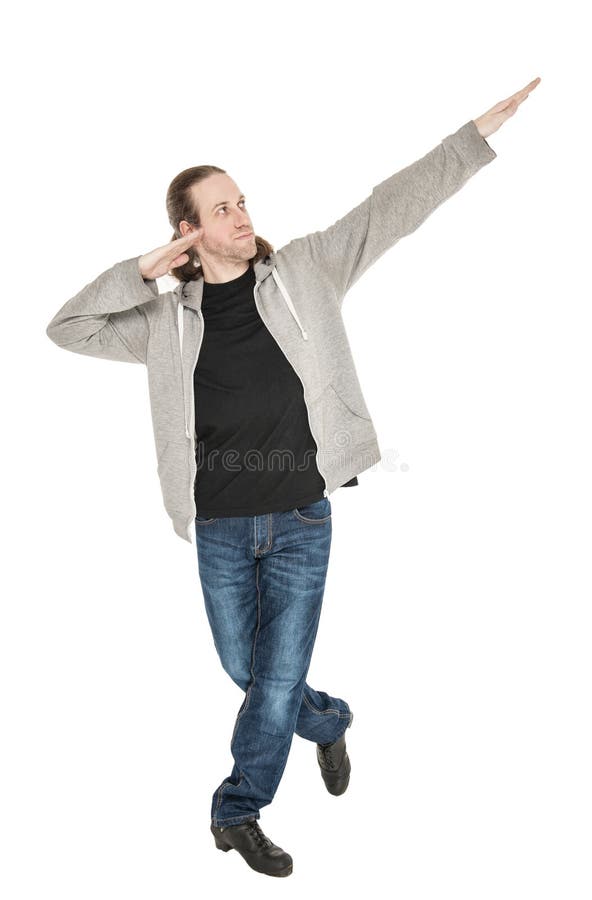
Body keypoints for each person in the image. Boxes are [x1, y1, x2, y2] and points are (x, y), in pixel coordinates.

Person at [45, 78, 540, 877]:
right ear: (188, 232)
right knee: (250, 673)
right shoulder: (164, 322)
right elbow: (68, 327)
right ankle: (329, 720)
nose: (243, 216)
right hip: (218, 525)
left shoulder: (305, 269)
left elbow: (388, 209)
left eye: (243, 202)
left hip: (302, 517)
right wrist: (142, 270)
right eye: (223, 209)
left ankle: (237, 810)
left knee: (271, 680)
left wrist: (473, 138)